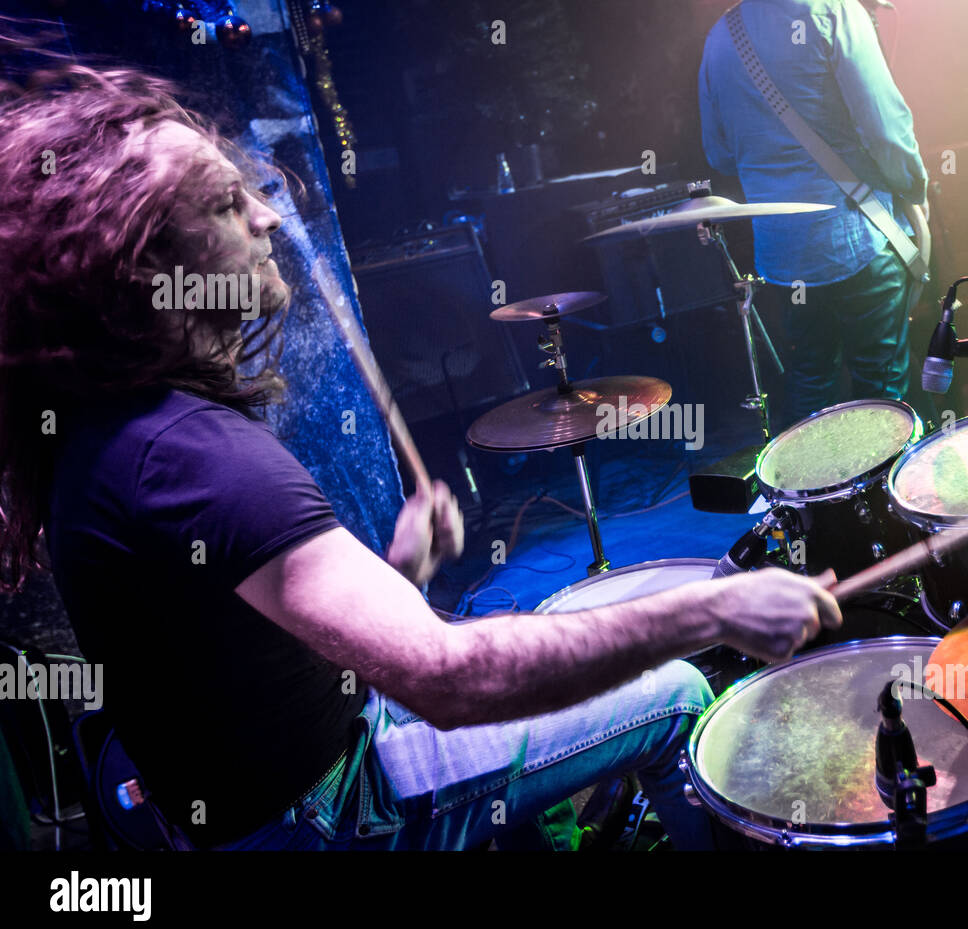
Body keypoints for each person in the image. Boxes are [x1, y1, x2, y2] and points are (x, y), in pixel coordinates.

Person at [0, 54, 841, 850]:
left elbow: (235, 664)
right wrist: (711, 609)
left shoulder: (106, 431)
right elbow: (447, 680)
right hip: (323, 814)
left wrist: (395, 574)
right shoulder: (194, 456)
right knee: (677, 695)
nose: (263, 216)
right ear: (144, 264)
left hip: (245, 806)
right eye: (225, 205)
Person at [698, 0, 929, 426]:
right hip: (856, 234)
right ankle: (878, 491)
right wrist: (915, 187)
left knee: (812, 387)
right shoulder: (834, 10)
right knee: (882, 392)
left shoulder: (718, 38)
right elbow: (885, 129)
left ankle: (817, 490)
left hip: (783, 256)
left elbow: (720, 154)